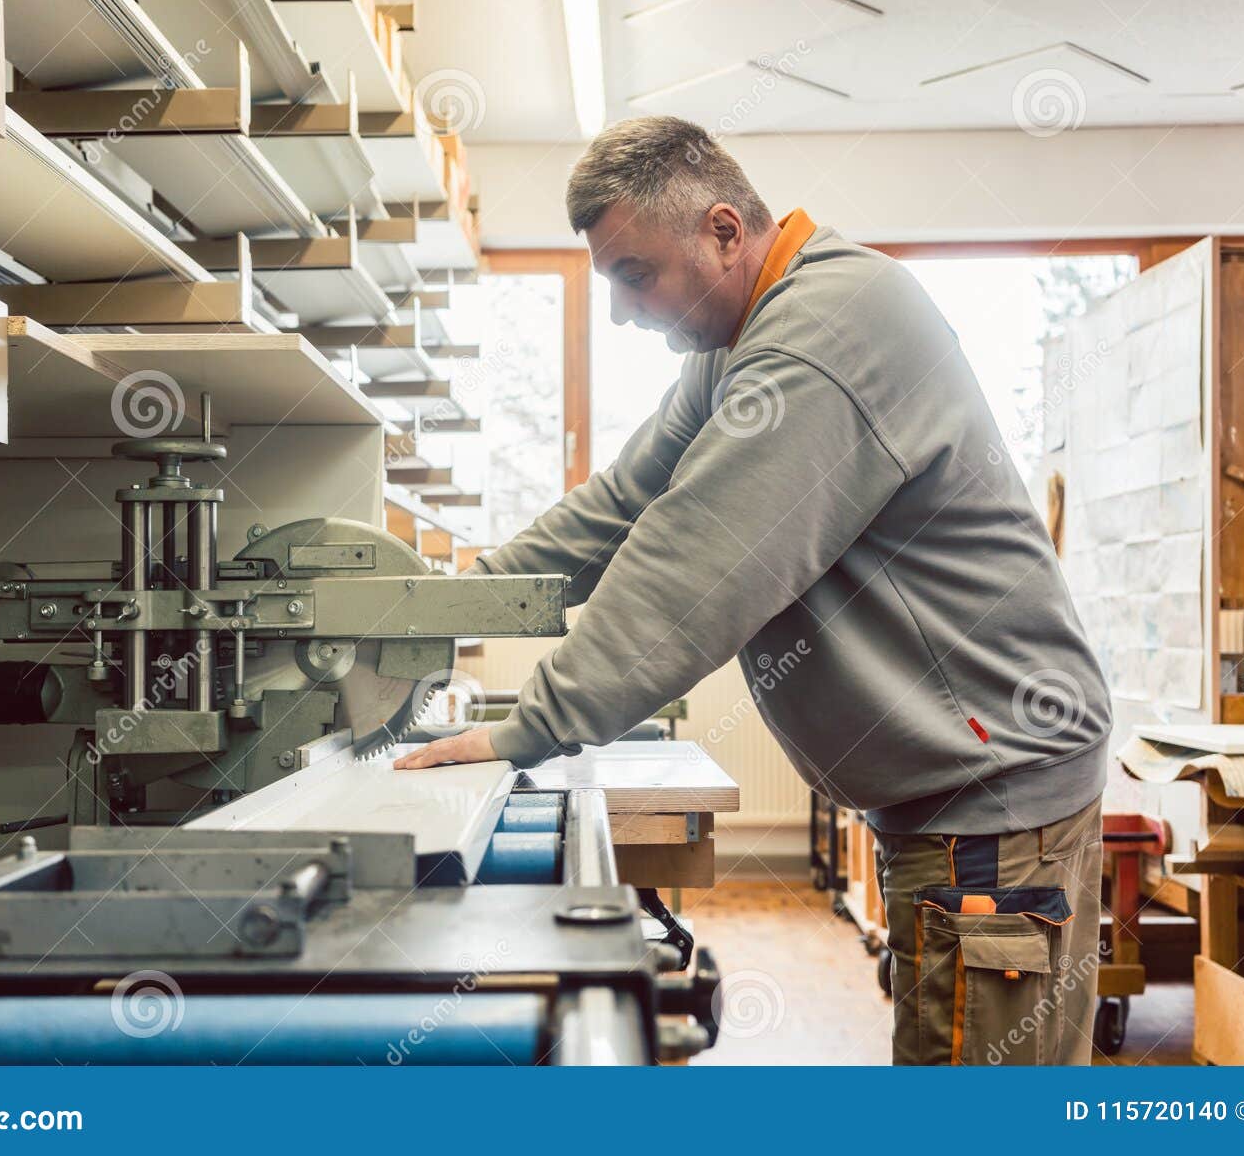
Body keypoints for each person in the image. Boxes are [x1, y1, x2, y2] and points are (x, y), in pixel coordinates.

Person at [396, 115, 1112, 1066]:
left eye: (632, 274)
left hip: (995, 807)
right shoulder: (738, 346)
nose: (619, 310)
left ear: (724, 232)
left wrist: (524, 728)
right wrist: (440, 615)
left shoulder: (822, 334)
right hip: (956, 797)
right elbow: (616, 511)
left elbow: (692, 567)